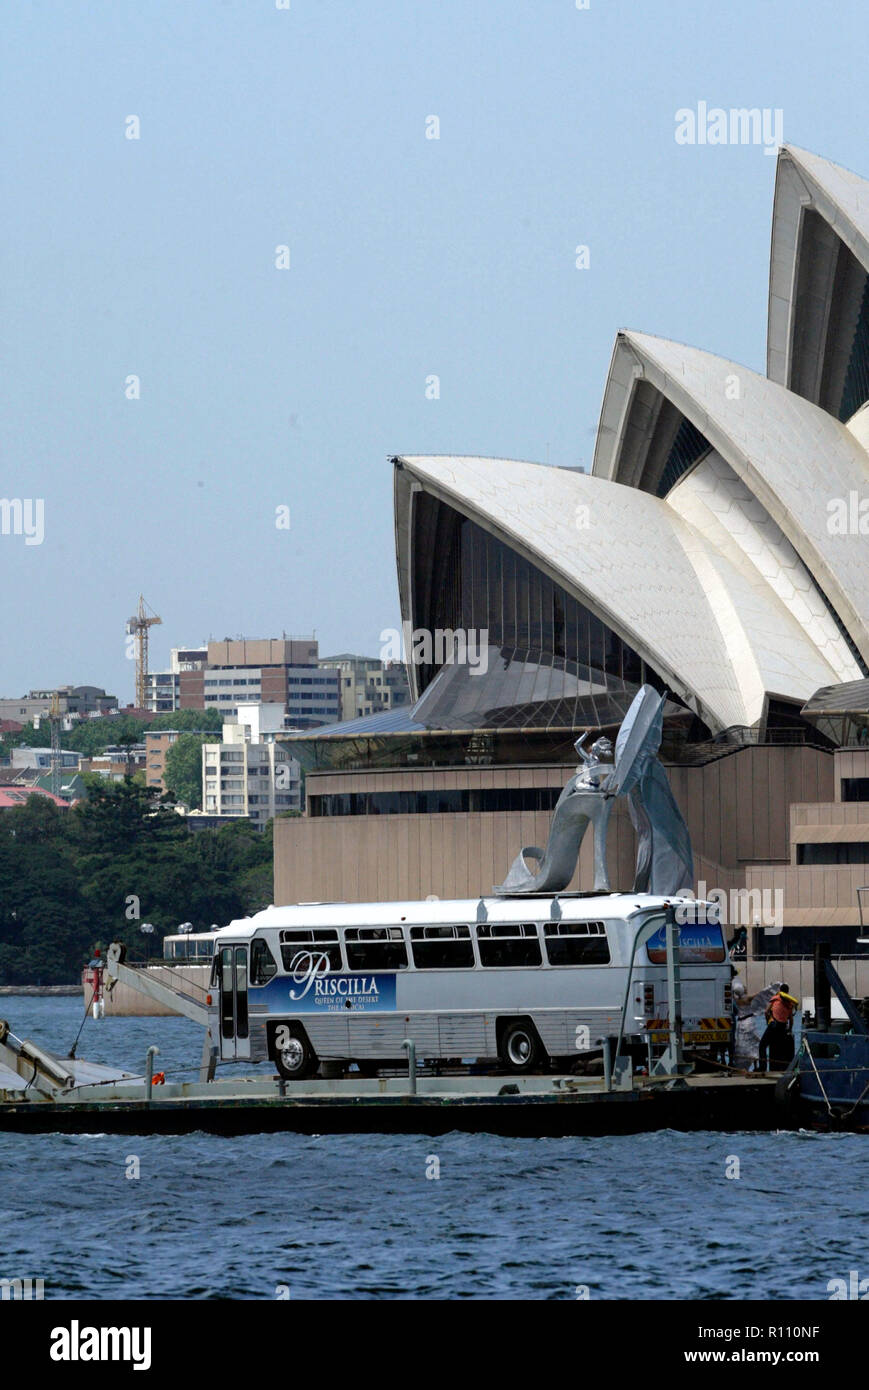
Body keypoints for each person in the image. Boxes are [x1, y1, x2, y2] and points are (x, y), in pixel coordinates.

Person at [758, 984, 799, 1071]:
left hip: (773, 1025)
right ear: (787, 992)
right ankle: (783, 1068)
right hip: (783, 1028)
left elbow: (766, 1012)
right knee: (779, 1048)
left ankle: (762, 1067)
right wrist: (789, 1030)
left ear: (780, 990)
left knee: (762, 1045)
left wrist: (767, 1022)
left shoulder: (776, 999)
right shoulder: (789, 1004)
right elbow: (791, 1020)